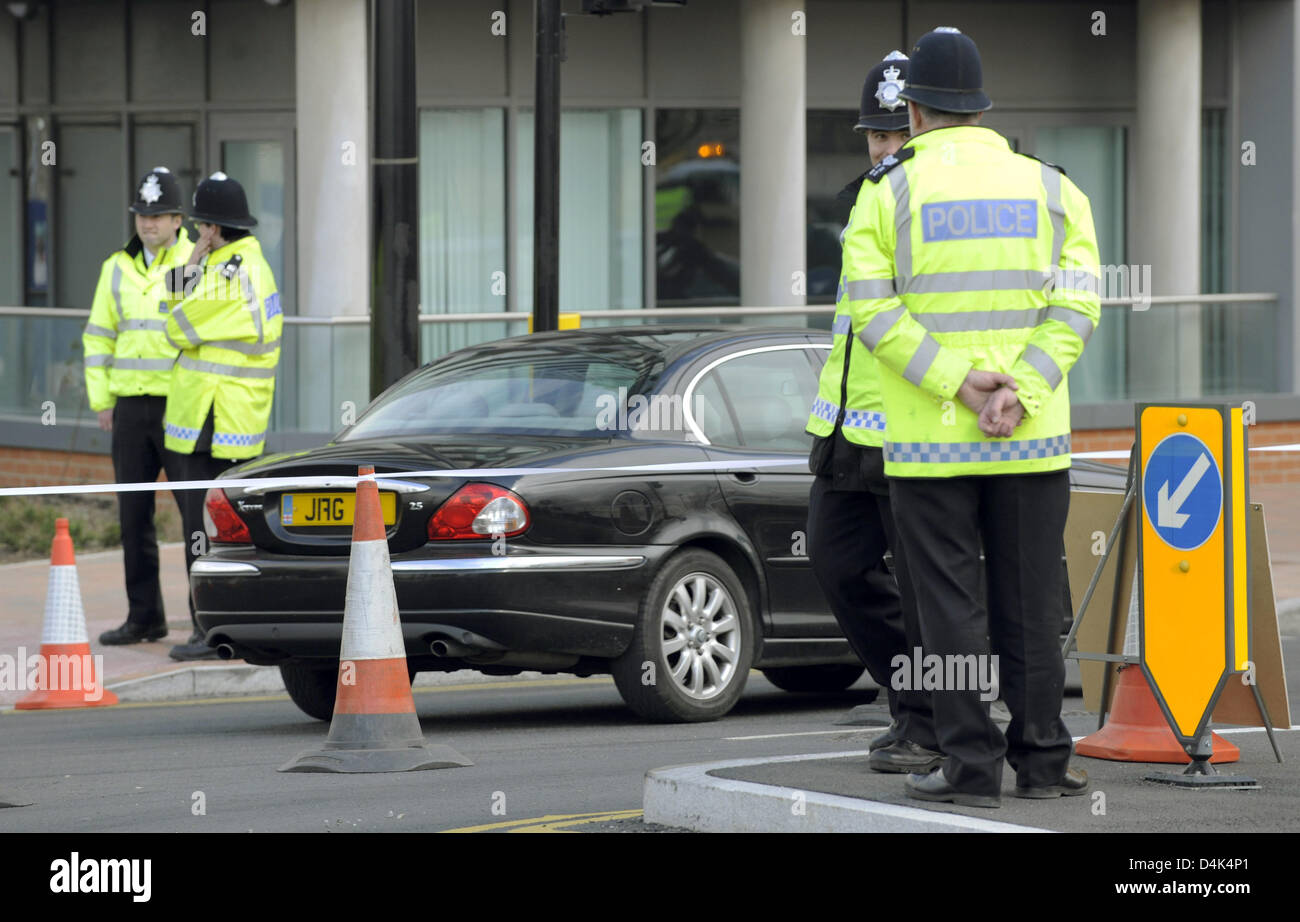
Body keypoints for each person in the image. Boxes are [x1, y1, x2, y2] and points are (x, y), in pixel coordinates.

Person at [842, 27, 1101, 807]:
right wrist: (1019, 388)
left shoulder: (888, 193)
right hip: (1031, 439)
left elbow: (873, 315)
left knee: (950, 609)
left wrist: (959, 383)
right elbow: (1078, 304)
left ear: (914, 110)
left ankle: (971, 770)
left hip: (929, 447)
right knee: (1030, 603)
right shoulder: (1055, 189)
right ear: (983, 108)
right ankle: (1046, 763)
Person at [805, 51, 941, 775]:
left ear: (921, 126)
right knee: (836, 563)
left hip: (911, 428)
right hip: (848, 430)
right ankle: (910, 699)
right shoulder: (863, 197)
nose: (884, 148)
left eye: (895, 135)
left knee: (926, 591)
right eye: (875, 135)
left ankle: (929, 720)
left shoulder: (930, 204)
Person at [161, 172, 282, 661]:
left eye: (197, 229)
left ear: (213, 228)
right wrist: (193, 263)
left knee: (202, 530)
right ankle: (224, 627)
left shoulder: (231, 272)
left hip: (214, 417)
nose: (193, 236)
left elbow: (173, 323)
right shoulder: (247, 263)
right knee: (224, 529)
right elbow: (176, 307)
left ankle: (207, 632)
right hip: (230, 419)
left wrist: (192, 264)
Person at [84, 167, 194, 646]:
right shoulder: (116, 267)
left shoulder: (197, 261)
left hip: (181, 406)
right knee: (133, 515)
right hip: (129, 408)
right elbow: (97, 336)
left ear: (177, 219)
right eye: (142, 215)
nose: (148, 224)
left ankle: (204, 621)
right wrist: (102, 400)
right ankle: (144, 617)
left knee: (195, 515)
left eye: (158, 215)